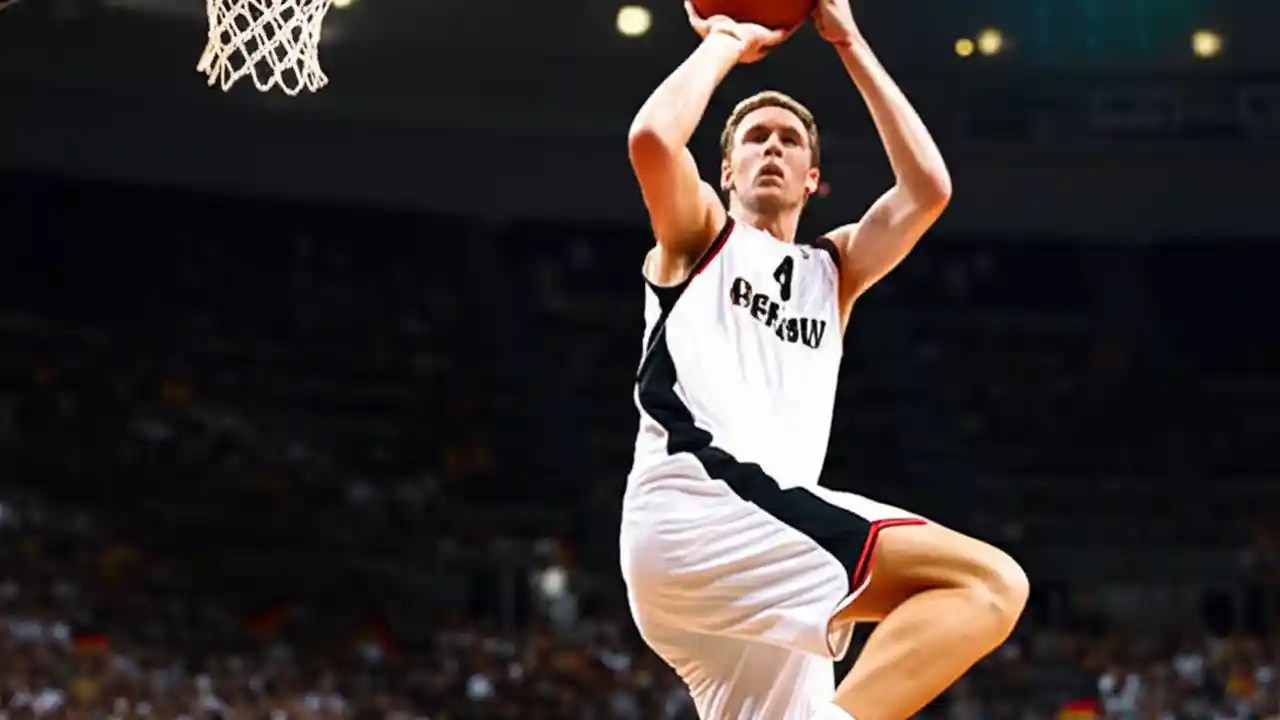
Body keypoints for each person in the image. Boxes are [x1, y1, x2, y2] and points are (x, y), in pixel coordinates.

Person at [618, 1, 1030, 719]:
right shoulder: (700, 234)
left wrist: (850, 42)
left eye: (788, 141)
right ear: (727, 168)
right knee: (989, 585)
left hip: (753, 557)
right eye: (753, 139)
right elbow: (652, 139)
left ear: (813, 178)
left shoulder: (831, 272)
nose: (771, 149)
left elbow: (928, 190)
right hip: (700, 511)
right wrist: (726, 41)